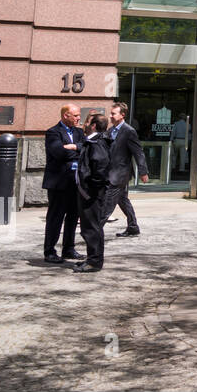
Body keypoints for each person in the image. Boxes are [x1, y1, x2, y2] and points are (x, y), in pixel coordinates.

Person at [42, 103, 84, 264]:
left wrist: (74, 147)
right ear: (66, 115)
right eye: (75, 115)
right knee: (55, 218)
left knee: (73, 217)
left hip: (75, 182)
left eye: (79, 115)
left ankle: (69, 248)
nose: (79, 118)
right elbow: (58, 152)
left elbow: (86, 148)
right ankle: (50, 251)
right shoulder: (53, 132)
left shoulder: (79, 132)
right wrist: (77, 152)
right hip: (59, 183)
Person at [73, 113, 115, 273]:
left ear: (94, 126)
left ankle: (95, 261)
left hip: (92, 193)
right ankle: (92, 258)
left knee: (92, 227)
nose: (85, 124)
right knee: (89, 227)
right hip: (89, 192)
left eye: (88, 122)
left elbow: (100, 168)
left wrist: (91, 188)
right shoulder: (94, 141)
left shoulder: (97, 143)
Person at [106, 102, 148, 237]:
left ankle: (94, 230)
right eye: (111, 113)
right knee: (123, 200)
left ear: (122, 115)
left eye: (113, 113)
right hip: (111, 172)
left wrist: (143, 171)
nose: (110, 116)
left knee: (108, 202)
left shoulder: (129, 131)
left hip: (120, 174)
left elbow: (138, 152)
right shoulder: (110, 130)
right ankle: (133, 226)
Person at [170, 114, 189, 178]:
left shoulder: (176, 123)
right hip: (184, 141)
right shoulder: (188, 124)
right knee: (182, 156)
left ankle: (173, 167)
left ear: (179, 117)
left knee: (174, 155)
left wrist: (171, 140)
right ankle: (181, 169)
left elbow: (173, 132)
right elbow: (189, 134)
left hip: (177, 140)